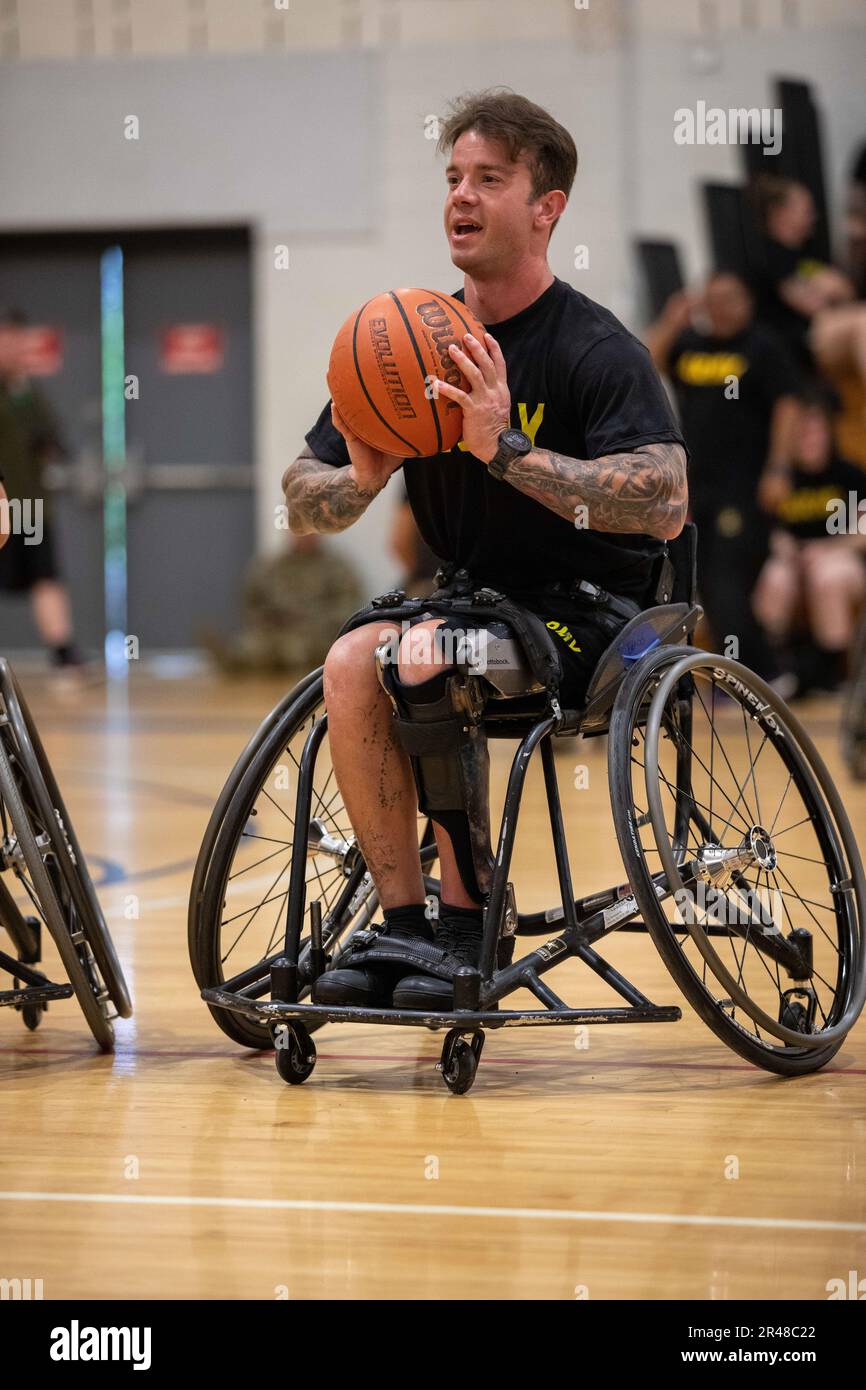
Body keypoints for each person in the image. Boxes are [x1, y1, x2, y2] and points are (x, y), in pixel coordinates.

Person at [283, 89, 687, 1010]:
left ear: (547, 208)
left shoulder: (594, 346)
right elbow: (303, 496)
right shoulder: (408, 337)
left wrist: (504, 450)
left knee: (428, 652)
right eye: (454, 177)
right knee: (350, 660)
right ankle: (405, 923)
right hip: (463, 597)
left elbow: (665, 500)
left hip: (590, 612)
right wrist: (362, 478)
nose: (461, 195)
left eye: (490, 179)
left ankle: (470, 921)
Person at [645, 272, 800, 684]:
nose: (721, 307)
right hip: (700, 486)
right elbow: (645, 363)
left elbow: (788, 406)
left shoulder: (762, 347)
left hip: (747, 486)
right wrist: (672, 319)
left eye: (730, 298)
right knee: (707, 582)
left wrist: (779, 469)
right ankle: (757, 673)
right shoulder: (691, 344)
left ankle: (762, 672)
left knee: (728, 580)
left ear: (747, 301)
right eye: (712, 299)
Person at [753, 389, 866, 694]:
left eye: (816, 431)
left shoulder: (848, 475)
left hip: (841, 562)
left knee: (827, 574)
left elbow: (864, 532)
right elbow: (769, 529)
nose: (810, 439)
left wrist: (828, 548)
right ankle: (778, 670)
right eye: (803, 433)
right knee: (775, 578)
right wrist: (784, 546)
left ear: (829, 434)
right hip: (794, 563)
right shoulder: (781, 480)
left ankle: (834, 673)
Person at [0, 310, 84, 670]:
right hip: (1, 503)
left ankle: (63, 654)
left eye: (19, 342)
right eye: (7, 341)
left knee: (44, 575)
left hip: (29, 506)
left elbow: (53, 439)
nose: (14, 349)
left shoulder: (27, 391)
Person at [750, 175, 866, 390]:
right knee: (863, 321)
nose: (812, 216)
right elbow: (812, 305)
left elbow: (847, 291)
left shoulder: (810, 252)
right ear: (780, 212)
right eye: (805, 209)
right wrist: (827, 289)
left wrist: (828, 289)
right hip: (799, 343)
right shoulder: (768, 255)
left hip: (827, 330)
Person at [204, 532, 362, 675]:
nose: (303, 535)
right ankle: (235, 659)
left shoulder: (335, 567)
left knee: (300, 650)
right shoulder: (270, 566)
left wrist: (312, 620)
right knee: (254, 647)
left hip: (314, 634)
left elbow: (347, 607)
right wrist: (269, 619)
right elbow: (253, 603)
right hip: (276, 632)